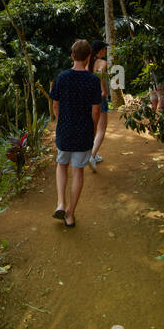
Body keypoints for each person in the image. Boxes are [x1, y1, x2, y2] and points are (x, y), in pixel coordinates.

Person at [49, 39, 103, 228]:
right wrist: (93, 129)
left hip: (65, 130)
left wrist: (61, 120)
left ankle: (60, 203)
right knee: (77, 171)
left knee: (61, 164)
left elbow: (55, 105)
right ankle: (70, 214)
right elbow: (96, 111)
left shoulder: (62, 77)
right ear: (89, 57)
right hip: (84, 132)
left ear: (72, 56)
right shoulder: (93, 80)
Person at [86, 40, 110, 170]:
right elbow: (99, 75)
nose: (105, 52)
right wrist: (104, 91)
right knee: (101, 129)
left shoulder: (86, 62)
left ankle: (93, 154)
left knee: (92, 128)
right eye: (104, 50)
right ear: (100, 50)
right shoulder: (102, 63)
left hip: (87, 100)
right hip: (99, 98)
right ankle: (92, 155)